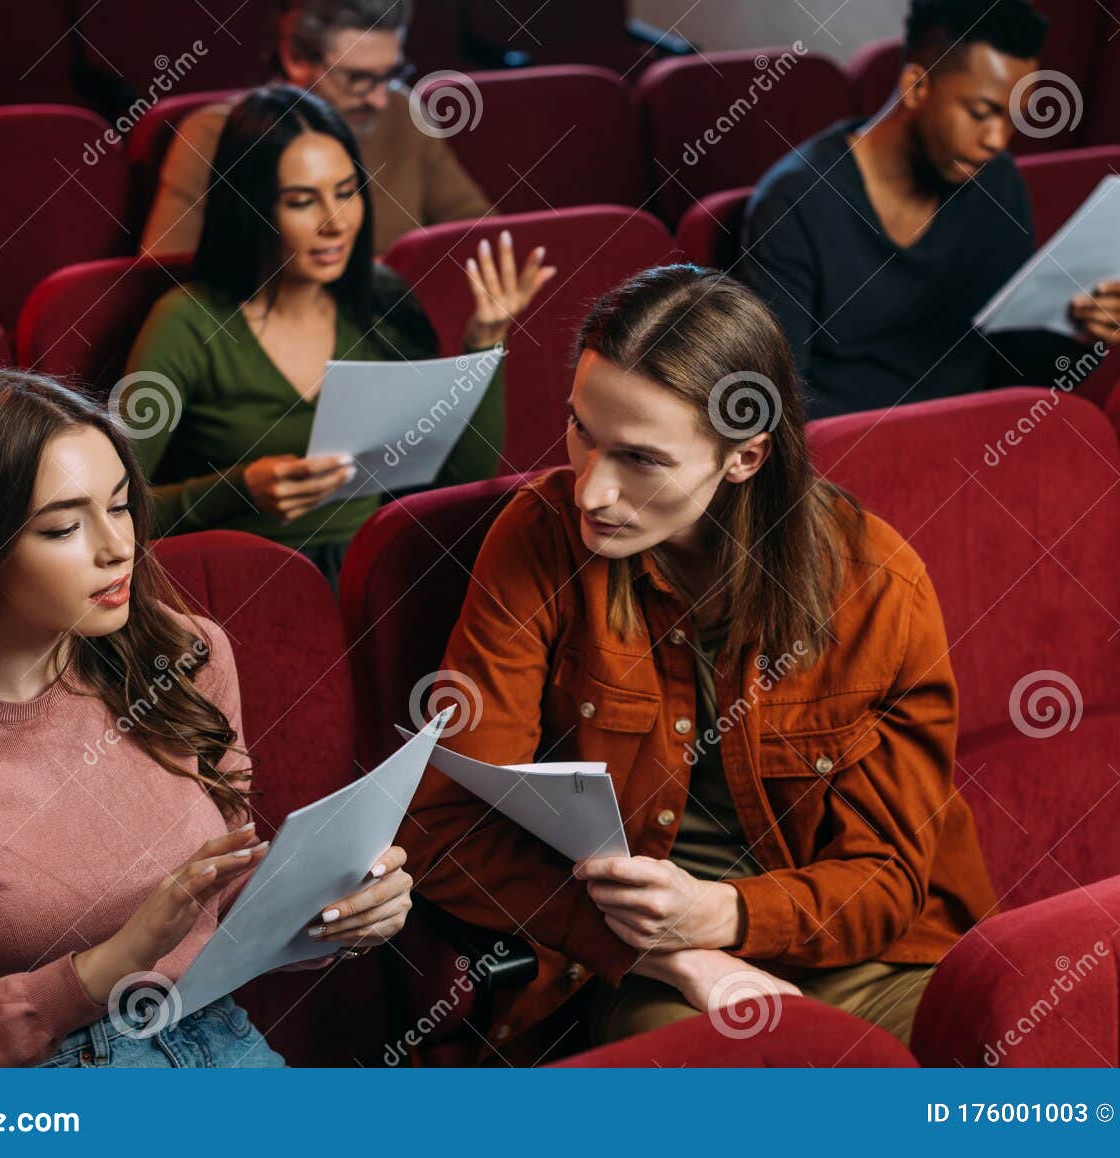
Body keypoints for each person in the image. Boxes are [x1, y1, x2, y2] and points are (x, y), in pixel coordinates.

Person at [397, 265, 998, 1063]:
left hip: (865, 959)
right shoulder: (537, 543)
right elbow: (444, 826)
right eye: (582, 431)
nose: (592, 492)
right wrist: (678, 954)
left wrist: (722, 914)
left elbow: (886, 880)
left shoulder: (876, 584)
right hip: (644, 966)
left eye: (641, 460)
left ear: (744, 458)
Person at [0, 367, 414, 1067]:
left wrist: (331, 909)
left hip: (216, 1043)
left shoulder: (186, 656)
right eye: (63, 526)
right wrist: (98, 973)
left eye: (119, 506)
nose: (117, 545)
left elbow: (224, 892)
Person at [124, 86, 552, 586]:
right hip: (242, 585)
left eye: (347, 192)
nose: (335, 222)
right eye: (302, 201)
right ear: (250, 209)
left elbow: (459, 483)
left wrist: (485, 340)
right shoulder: (186, 322)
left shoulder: (382, 303)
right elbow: (112, 511)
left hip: (374, 577)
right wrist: (240, 489)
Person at [741, 0, 1120, 419]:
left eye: (1013, 120)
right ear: (917, 86)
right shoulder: (796, 202)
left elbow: (1021, 377)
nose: (997, 140)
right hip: (844, 463)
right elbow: (778, 410)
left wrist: (1082, 337)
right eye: (982, 113)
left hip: (976, 447)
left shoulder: (997, 184)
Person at [142, 0, 489, 257]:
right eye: (358, 79)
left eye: (391, 75)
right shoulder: (213, 135)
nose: (380, 100)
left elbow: (479, 234)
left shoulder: (403, 109)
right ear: (296, 58)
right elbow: (167, 276)